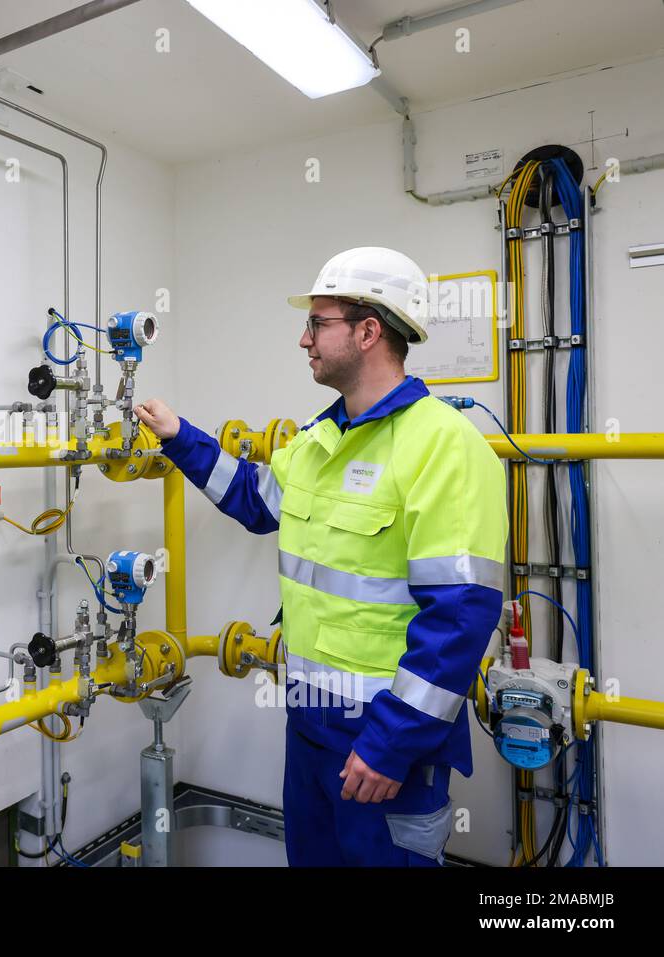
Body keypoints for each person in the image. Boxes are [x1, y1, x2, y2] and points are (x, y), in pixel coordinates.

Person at [135, 247, 508, 866]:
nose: (302, 338)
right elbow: (256, 499)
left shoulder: (444, 444)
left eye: (318, 323)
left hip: (384, 737)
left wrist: (392, 742)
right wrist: (182, 438)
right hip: (309, 724)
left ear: (368, 332)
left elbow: (462, 615)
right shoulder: (317, 439)